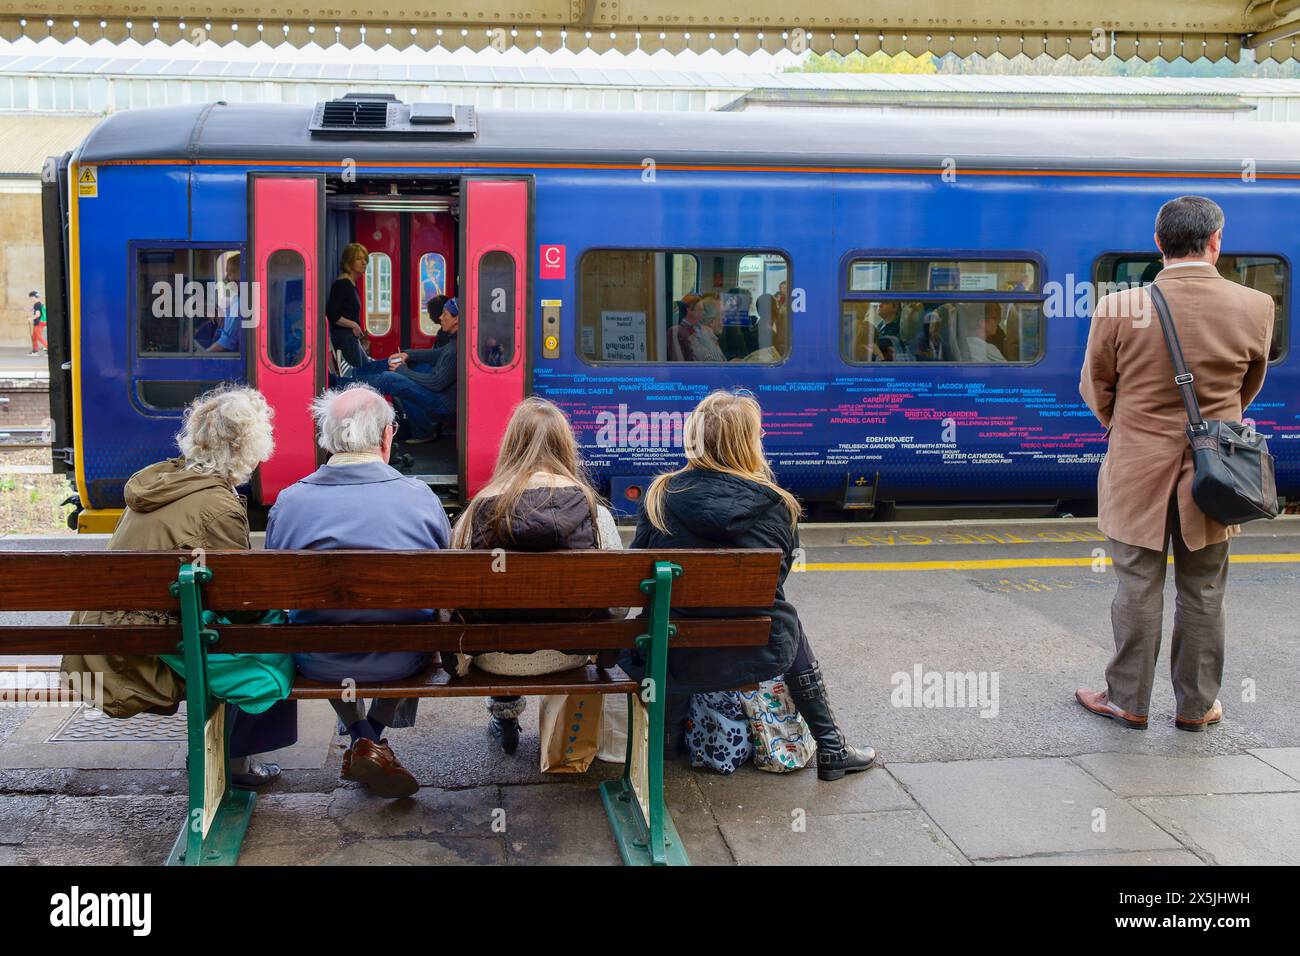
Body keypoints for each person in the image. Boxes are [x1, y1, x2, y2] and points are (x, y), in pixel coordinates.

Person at [1076, 195, 1274, 732]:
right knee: (1205, 590)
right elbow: (1247, 386)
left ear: (1159, 243)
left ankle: (1127, 701)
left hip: (1136, 470)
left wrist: (1133, 427)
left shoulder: (1119, 307)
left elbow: (1096, 388)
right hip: (1217, 474)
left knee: (1137, 586)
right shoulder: (1256, 306)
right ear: (1216, 242)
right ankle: (1196, 706)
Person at [621, 390, 877, 781]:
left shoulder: (659, 496)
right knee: (785, 616)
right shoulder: (778, 504)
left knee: (669, 617)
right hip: (758, 650)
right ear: (747, 443)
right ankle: (831, 747)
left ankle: (667, 740)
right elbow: (776, 583)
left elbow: (641, 580)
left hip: (673, 653)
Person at [62, 385, 295, 787]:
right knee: (275, 654)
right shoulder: (218, 505)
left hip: (109, 632)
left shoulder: (162, 481)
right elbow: (243, 606)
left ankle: (226, 755)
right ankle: (235, 762)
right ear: (249, 447)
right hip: (137, 649)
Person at [265, 384, 451, 797]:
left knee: (320, 625)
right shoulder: (420, 498)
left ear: (328, 438)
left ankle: (359, 736)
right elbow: (445, 581)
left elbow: (275, 595)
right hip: (403, 658)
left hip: (319, 661)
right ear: (387, 436)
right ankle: (373, 738)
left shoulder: (290, 502)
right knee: (415, 622)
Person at [450, 397, 624, 754]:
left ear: (510, 446)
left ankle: (504, 713)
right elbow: (620, 608)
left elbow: (453, 601)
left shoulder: (476, 510)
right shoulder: (594, 512)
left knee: (500, 609)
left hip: (493, 655)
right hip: (572, 653)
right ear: (566, 446)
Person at [325, 243, 370, 372]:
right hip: (344, 338)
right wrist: (353, 325)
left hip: (350, 338)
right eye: (358, 259)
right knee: (358, 377)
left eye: (365, 259)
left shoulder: (351, 284)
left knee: (365, 368)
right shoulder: (342, 284)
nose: (364, 262)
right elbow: (331, 313)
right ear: (348, 262)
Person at [206, 253, 243, 353]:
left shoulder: (239, 305)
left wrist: (201, 356)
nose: (226, 277)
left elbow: (224, 344)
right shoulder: (234, 300)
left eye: (229, 272)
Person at [29, 290, 46, 355]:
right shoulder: (38, 304)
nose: (30, 299)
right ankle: (35, 351)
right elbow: (35, 310)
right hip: (37, 323)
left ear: (33, 297)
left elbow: (38, 315)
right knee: (34, 337)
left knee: (39, 337)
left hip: (38, 323)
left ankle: (49, 349)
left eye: (30, 298)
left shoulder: (37, 305)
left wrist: (30, 318)